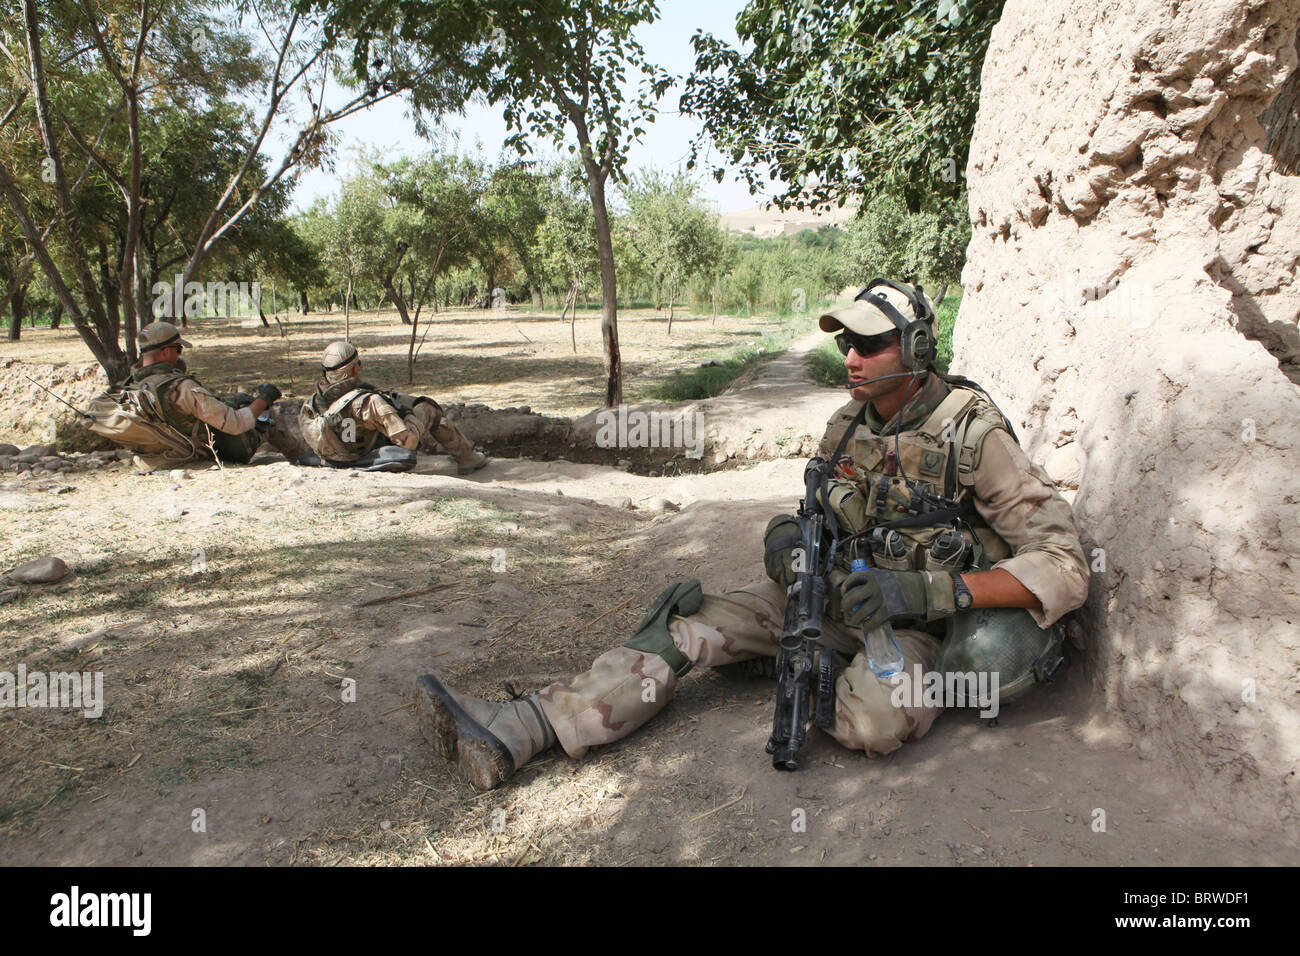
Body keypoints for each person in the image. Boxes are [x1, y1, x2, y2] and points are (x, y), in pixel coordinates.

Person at [415, 279, 1090, 791]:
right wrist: (785, 541)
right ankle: (526, 727)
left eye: (869, 344)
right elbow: (814, 510)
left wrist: (920, 589)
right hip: (828, 599)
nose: (851, 357)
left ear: (914, 348)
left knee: (873, 723)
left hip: (914, 623)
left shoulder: (972, 433)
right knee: (686, 624)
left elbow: (1063, 565)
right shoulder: (846, 426)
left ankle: (803, 670)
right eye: (844, 343)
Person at [115, 321, 298, 464]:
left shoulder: (132, 386)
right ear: (164, 352)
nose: (179, 355)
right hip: (195, 453)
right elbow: (236, 423)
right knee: (266, 418)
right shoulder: (181, 388)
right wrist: (265, 399)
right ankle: (301, 457)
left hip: (156, 457)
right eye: (178, 349)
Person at [297, 341, 489, 475]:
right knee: (427, 407)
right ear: (354, 369)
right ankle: (468, 459)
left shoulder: (311, 405)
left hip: (339, 457)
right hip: (368, 456)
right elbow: (407, 443)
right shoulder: (369, 402)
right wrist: (407, 415)